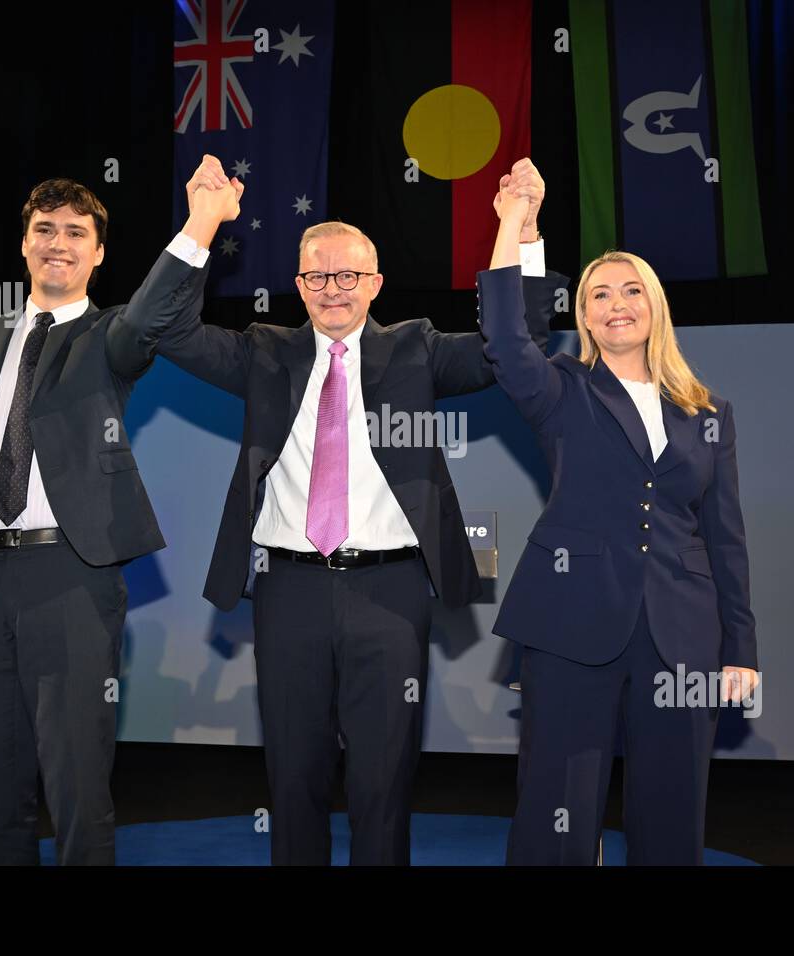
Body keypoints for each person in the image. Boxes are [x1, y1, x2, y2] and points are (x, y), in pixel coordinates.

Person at [158, 154, 562, 865]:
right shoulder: (263, 354)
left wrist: (520, 231)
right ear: (299, 284)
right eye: (318, 275)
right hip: (288, 589)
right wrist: (201, 221)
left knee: (383, 781)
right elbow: (164, 326)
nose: (333, 290)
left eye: (349, 275)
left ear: (375, 284)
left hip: (392, 593)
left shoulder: (417, 348)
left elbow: (514, 345)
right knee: (293, 777)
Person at [0, 172, 242, 864]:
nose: (58, 244)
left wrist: (202, 222)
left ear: (99, 254)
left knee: (77, 788)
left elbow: (153, 313)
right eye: (44, 229)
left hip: (70, 578)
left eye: (76, 232)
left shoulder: (111, 336)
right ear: (23, 243)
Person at [477, 179, 761, 865]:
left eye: (631, 290)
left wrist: (741, 648)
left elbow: (725, 537)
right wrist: (516, 221)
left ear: (655, 307)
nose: (616, 304)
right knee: (555, 813)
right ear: (583, 315)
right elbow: (506, 337)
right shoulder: (560, 389)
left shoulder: (709, 411)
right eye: (599, 295)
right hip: (570, 624)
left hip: (684, 633)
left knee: (672, 813)